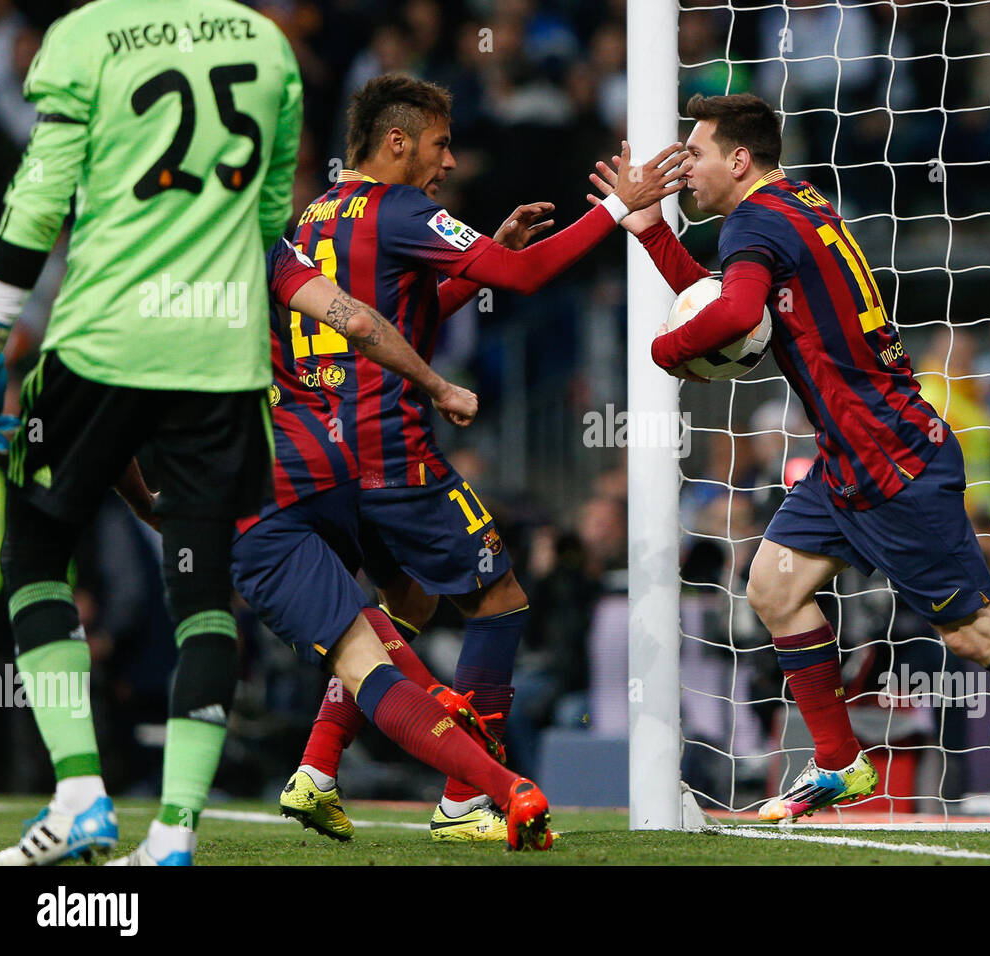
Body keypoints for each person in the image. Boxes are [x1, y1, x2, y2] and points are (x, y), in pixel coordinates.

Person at [589, 92, 990, 834]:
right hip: (851, 456)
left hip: (891, 461)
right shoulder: (796, 200)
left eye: (696, 154)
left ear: (740, 159)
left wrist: (664, 354)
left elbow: (728, 315)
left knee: (974, 632)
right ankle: (838, 761)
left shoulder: (754, 221)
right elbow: (727, 299)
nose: (684, 167)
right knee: (773, 586)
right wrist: (651, 228)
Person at [236, 73, 685, 844]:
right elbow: (528, 276)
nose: (449, 164)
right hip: (389, 450)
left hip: (315, 452)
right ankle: (462, 798)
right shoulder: (403, 208)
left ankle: (316, 767)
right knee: (502, 596)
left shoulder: (312, 217)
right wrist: (619, 207)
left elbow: (378, 318)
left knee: (403, 609)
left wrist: (478, 259)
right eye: (441, 145)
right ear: (398, 141)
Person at [0, 0, 303, 866]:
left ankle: (81, 797)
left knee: (36, 552)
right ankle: (173, 835)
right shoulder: (267, 42)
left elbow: (40, 197)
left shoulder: (86, 35)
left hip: (106, 339)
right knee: (202, 592)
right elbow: (273, 214)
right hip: (221, 355)